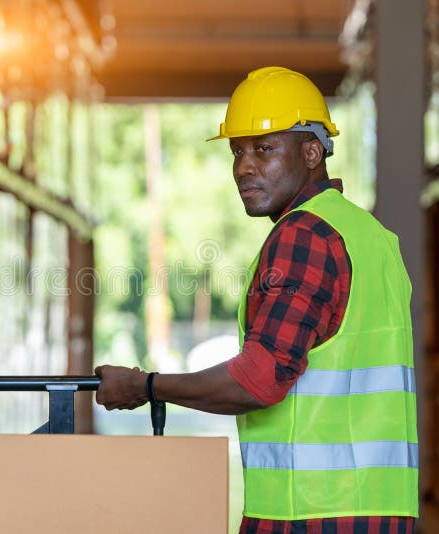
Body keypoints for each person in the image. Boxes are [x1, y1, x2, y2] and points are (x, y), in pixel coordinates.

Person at [95, 66, 418, 533]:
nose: (245, 166)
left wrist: (144, 386)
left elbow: (258, 381)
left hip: (308, 513)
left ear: (312, 152)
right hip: (378, 511)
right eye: (237, 151)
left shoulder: (305, 234)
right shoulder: (372, 237)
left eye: (264, 148)